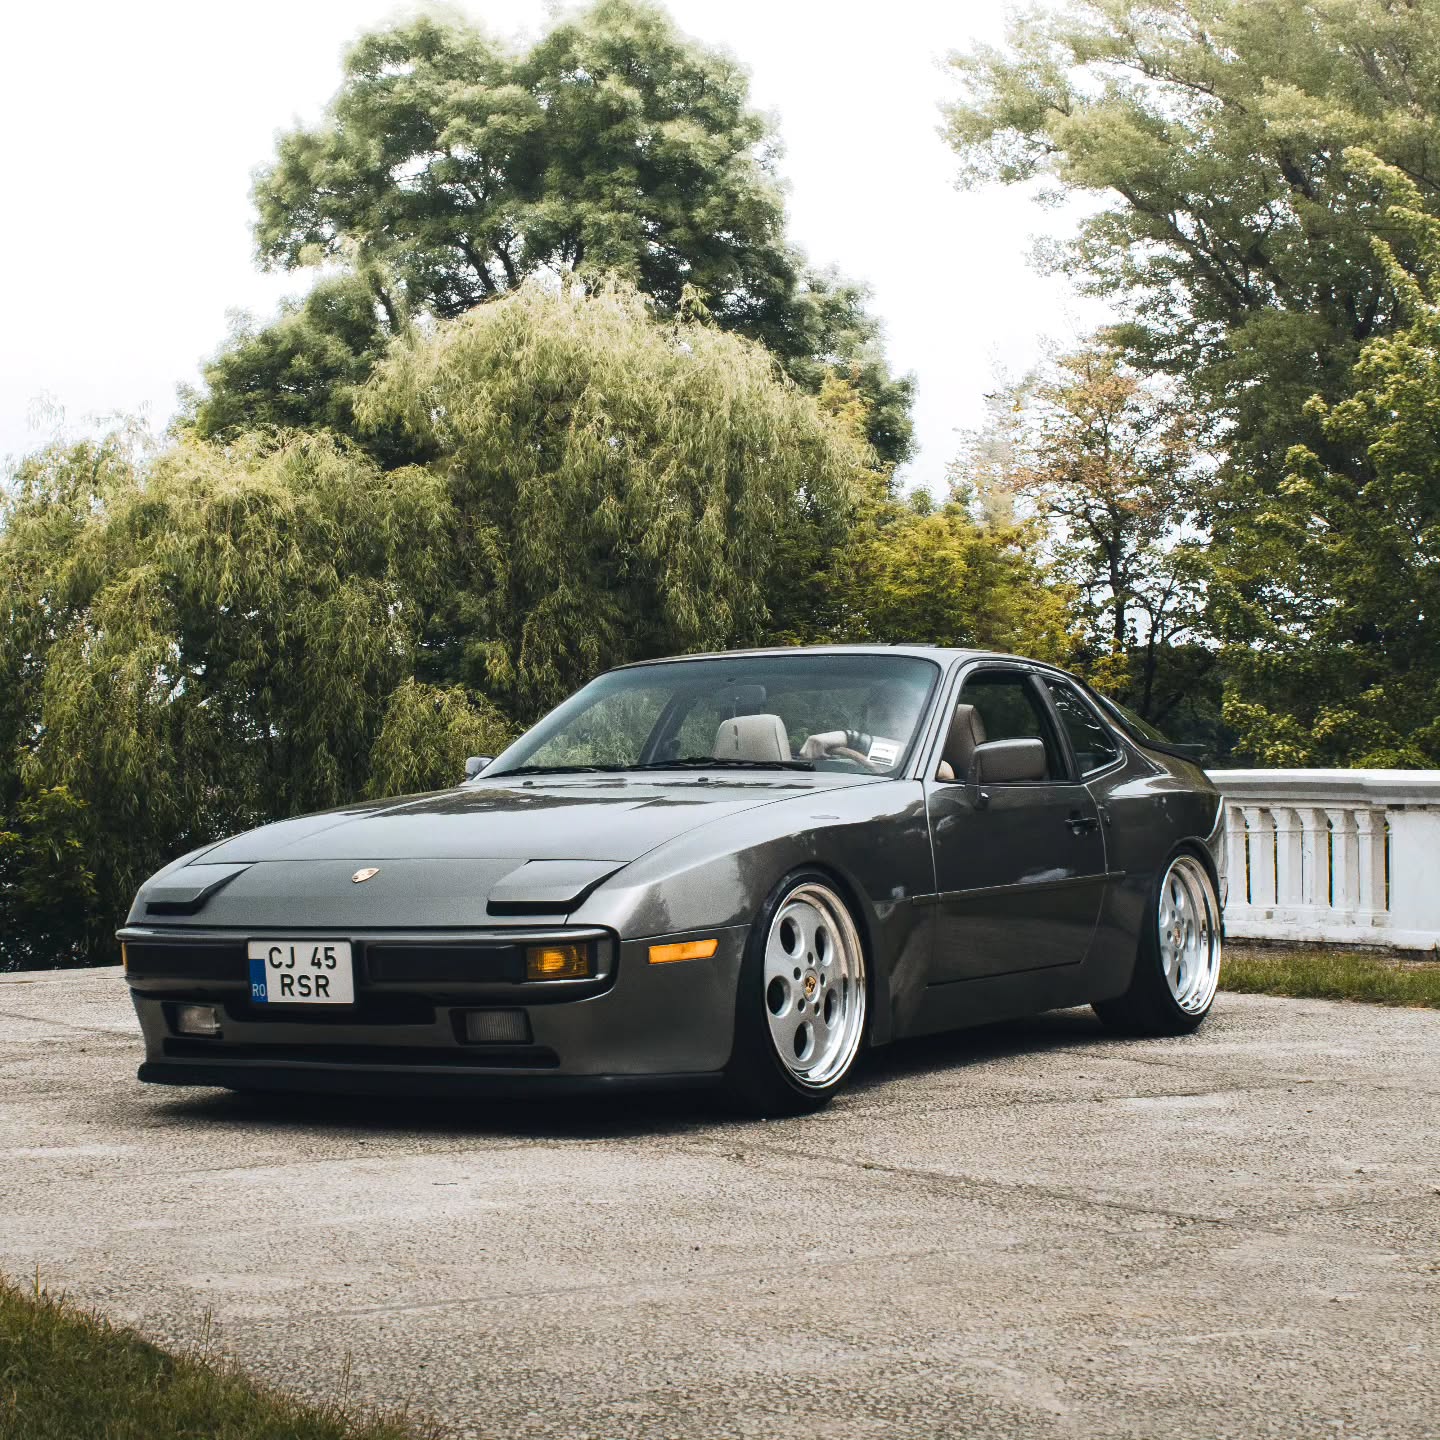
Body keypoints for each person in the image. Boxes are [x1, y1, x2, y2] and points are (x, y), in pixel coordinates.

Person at [799, 681, 927, 770]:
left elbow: (920, 760)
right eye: (880, 717)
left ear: (920, 720)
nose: (893, 725)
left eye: (904, 715)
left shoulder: (930, 760)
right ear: (865, 723)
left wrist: (851, 738)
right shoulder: (842, 766)